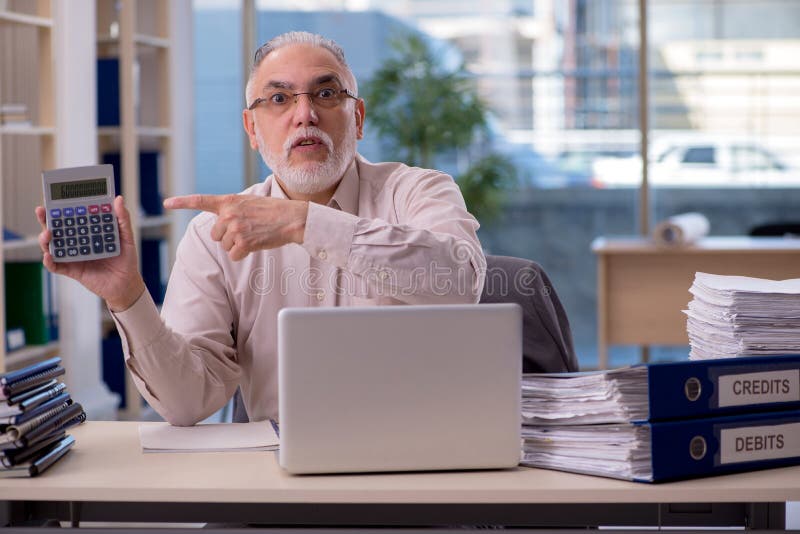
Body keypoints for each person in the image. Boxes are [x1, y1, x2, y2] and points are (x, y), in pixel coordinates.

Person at [35, 31, 486, 426]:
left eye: (326, 95)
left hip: (418, 468)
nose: (305, 114)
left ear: (359, 118)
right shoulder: (213, 234)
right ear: (251, 127)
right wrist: (127, 296)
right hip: (274, 485)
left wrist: (304, 223)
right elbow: (187, 403)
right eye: (279, 98)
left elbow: (461, 280)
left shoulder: (418, 191)